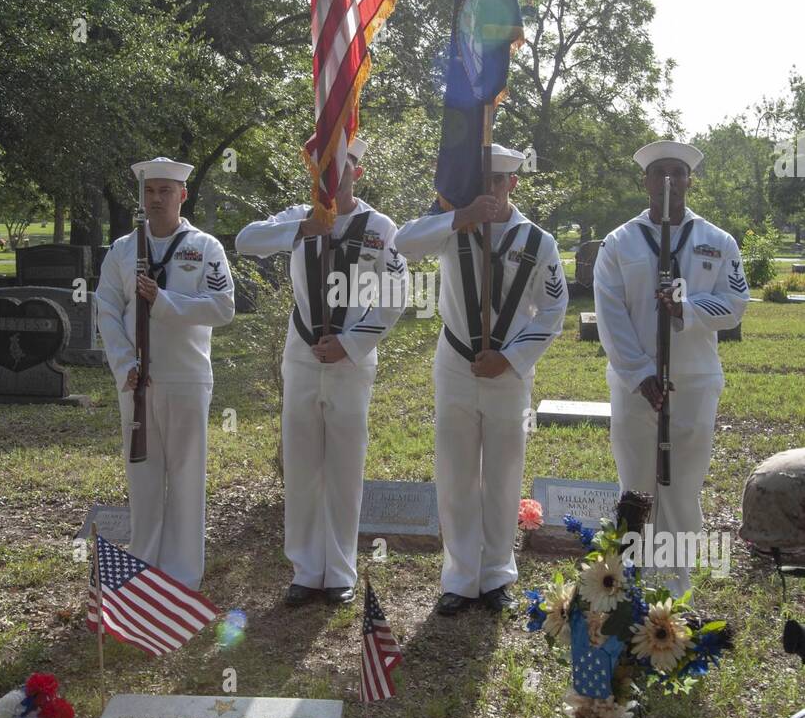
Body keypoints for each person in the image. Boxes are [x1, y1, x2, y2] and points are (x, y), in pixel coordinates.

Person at [396, 145, 568, 615]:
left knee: (503, 470)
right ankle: (459, 576)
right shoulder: (455, 226)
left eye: (498, 181)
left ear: (513, 183)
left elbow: (553, 310)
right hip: (455, 361)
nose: (490, 189)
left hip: (508, 371)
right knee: (455, 470)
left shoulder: (537, 242)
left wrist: (512, 357)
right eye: (483, 180)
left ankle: (496, 574)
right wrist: (458, 215)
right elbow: (403, 244)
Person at [236, 138, 406, 607]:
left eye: (342, 167)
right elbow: (245, 240)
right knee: (304, 463)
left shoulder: (379, 227)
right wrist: (303, 229)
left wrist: (351, 343)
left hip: (351, 361)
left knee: (345, 467)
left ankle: (340, 571)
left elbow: (395, 295)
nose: (332, 176)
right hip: (303, 354)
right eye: (323, 168)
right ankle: (307, 570)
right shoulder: (297, 215)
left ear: (359, 170)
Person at [593, 140, 749, 596]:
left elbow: (736, 304)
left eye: (677, 173)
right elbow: (611, 314)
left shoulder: (717, 242)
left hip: (695, 380)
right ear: (644, 180)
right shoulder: (618, 242)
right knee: (637, 486)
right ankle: (629, 591)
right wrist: (639, 373)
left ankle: (674, 594)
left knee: (681, 489)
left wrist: (688, 309)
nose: (668, 181)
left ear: (689, 180)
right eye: (658, 172)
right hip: (634, 383)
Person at [96, 157, 234, 589]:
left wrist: (165, 300)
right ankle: (143, 569)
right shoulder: (122, 249)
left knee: (187, 477)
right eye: (150, 191)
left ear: (183, 195)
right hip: (138, 381)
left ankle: (181, 578)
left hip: (187, 376)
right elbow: (106, 310)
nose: (156, 199)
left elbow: (223, 307)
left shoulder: (205, 247)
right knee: (143, 477)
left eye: (165, 191)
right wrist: (124, 365)